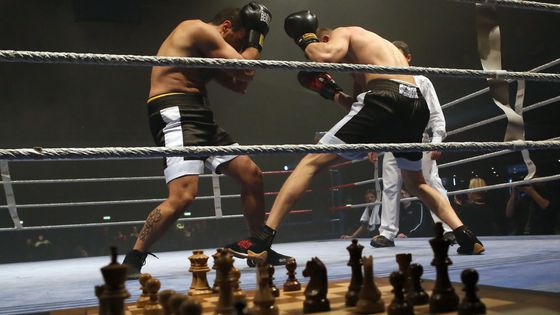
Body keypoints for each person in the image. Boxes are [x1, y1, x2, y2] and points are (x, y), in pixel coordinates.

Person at [227, 10, 484, 257]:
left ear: (326, 37)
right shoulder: (375, 52)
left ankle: (262, 240)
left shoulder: (345, 33)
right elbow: (358, 105)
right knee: (417, 183)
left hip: (386, 97)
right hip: (413, 104)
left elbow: (324, 56)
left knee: (309, 163)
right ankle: (466, 236)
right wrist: (331, 91)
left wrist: (305, 36)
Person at [123, 2, 290, 279]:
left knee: (252, 176)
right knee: (183, 196)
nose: (236, 47)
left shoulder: (206, 53)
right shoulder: (196, 28)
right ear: (225, 27)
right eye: (237, 40)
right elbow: (245, 70)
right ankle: (133, 258)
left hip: (200, 113)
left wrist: (239, 64)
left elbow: (239, 83)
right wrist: (257, 37)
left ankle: (256, 248)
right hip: (175, 110)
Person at [369, 40, 455, 248]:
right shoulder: (384, 83)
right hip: (392, 142)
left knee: (432, 182)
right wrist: (373, 143)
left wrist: (437, 141)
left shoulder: (421, 81)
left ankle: (448, 229)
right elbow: (379, 117)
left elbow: (436, 114)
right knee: (390, 186)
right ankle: (387, 233)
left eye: (397, 55)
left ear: (408, 58)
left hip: (421, 140)